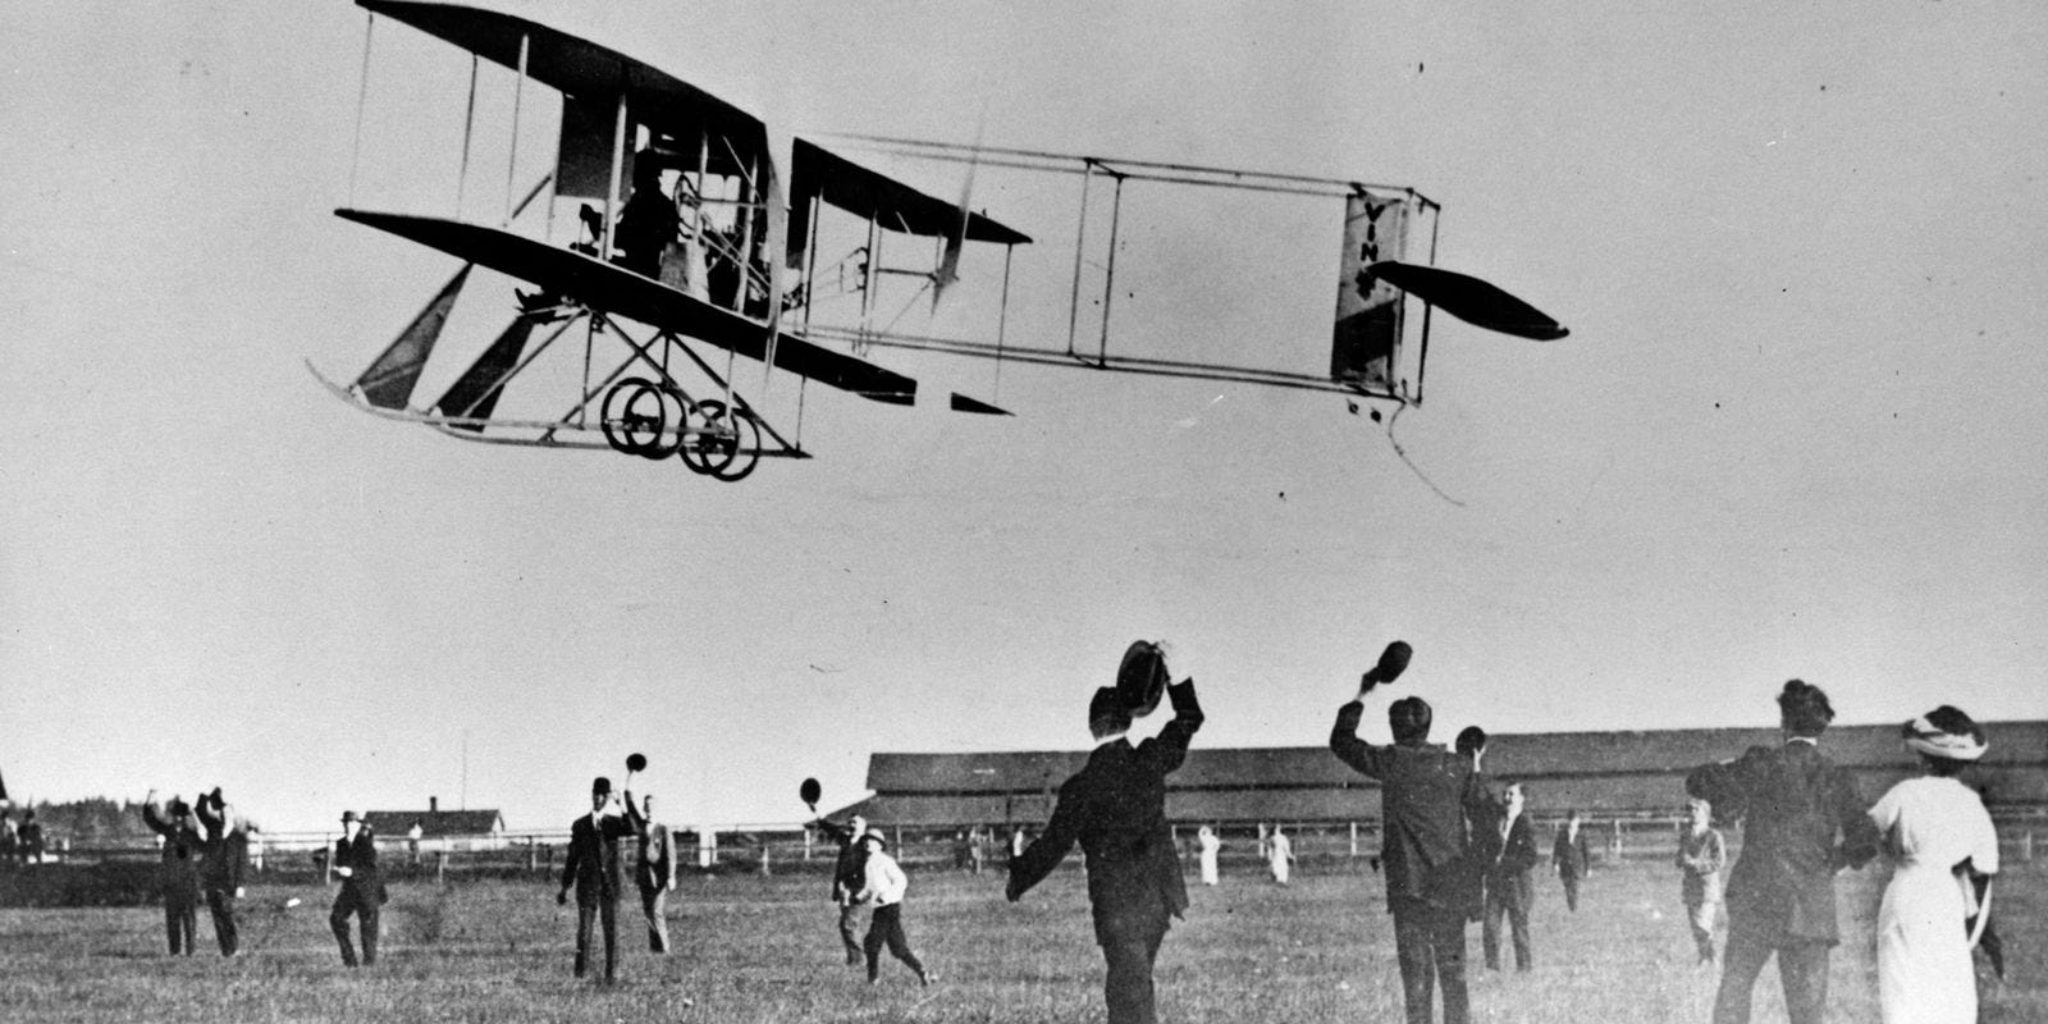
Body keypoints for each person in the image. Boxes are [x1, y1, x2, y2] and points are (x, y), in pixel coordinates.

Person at [1008, 666, 1205, 1024]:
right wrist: (1176, 674)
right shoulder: (1150, 759)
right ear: (1129, 721)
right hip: (1159, 899)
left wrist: (1018, 878)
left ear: (1092, 726)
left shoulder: (1080, 787)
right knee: (1135, 985)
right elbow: (1190, 716)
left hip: (1116, 905)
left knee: (1127, 993)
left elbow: (1053, 845)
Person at [1686, 679, 1879, 1024]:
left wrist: (1730, 763)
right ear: (1821, 727)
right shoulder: (1838, 776)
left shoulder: (1762, 762)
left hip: (1757, 897)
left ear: (1784, 723)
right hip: (1810, 902)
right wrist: (1830, 863)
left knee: (1736, 989)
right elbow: (1865, 841)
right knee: (1807, 1014)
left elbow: (1699, 780)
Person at [1329, 662, 1489, 1024]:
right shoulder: (1457, 766)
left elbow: (1341, 741)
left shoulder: (1391, 761)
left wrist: (1362, 693)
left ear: (1394, 728)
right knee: (1455, 977)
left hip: (1410, 888)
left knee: (1416, 981)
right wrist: (1475, 766)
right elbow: (1483, 811)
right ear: (1429, 725)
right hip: (1450, 886)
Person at [1868, 707, 1999, 1024]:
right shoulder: (1971, 803)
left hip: (1906, 894)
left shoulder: (1905, 793)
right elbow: (1983, 868)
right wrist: (1978, 928)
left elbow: (1864, 833)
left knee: (1903, 987)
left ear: (1923, 757)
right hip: (1945, 899)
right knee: (1947, 987)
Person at [557, 776, 635, 984]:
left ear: (607, 797)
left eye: (603, 795)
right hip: (587, 885)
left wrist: (622, 805)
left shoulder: (613, 823)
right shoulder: (580, 825)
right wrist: (565, 887)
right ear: (592, 795)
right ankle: (580, 974)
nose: (598, 798)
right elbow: (572, 858)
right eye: (596, 794)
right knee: (584, 932)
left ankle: (612, 975)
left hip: (611, 885)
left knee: (612, 932)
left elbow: (633, 828)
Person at [853, 832, 932, 985]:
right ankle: (923, 972)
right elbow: (870, 887)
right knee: (898, 948)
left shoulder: (886, 861)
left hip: (889, 907)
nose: (868, 843)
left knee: (871, 942)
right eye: (866, 841)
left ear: (880, 844)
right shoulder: (869, 864)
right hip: (880, 908)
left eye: (873, 841)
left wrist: (887, 895)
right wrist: (859, 897)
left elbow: (901, 881)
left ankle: (873, 979)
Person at [1483, 782, 1538, 973]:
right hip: (1496, 884)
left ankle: (1524, 968)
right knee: (1490, 927)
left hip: (1517, 884)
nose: (1506, 798)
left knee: (1519, 929)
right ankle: (1492, 968)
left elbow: (1531, 857)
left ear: (1522, 798)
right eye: (1505, 794)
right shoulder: (1498, 819)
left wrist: (1505, 862)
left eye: (1511, 794)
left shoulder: (1526, 823)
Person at [142, 791, 205, 956]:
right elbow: (150, 818)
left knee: (189, 918)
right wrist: (150, 799)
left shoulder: (191, 833)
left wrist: (194, 814)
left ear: (185, 817)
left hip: (188, 880)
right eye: (175, 815)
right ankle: (174, 951)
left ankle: (190, 951)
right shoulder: (166, 830)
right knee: (172, 918)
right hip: (171, 881)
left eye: (181, 815)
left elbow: (205, 839)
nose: (177, 818)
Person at [813, 813, 871, 966]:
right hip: (843, 889)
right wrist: (819, 817)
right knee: (846, 924)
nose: (852, 825)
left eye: (856, 822)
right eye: (850, 822)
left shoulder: (866, 844)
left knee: (849, 923)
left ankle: (859, 960)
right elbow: (831, 829)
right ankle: (853, 958)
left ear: (864, 826)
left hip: (857, 890)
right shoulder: (846, 840)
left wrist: (853, 889)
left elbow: (868, 870)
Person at [194, 789, 247, 957]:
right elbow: (200, 811)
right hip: (212, 880)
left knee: (226, 913)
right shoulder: (214, 830)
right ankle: (226, 950)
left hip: (229, 882)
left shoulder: (239, 838)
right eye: (223, 812)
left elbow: (242, 863)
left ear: (231, 814)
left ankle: (233, 947)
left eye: (227, 812)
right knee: (217, 915)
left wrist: (240, 884)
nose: (225, 815)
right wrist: (206, 793)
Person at [1676, 797, 1727, 964]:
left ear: (1706, 814)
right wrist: (1681, 859)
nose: (1692, 814)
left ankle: (1709, 957)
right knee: (1695, 925)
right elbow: (1678, 858)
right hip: (1690, 887)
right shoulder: (1685, 835)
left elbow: (1719, 861)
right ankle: (1706, 956)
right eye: (1689, 810)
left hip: (1707, 888)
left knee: (1702, 924)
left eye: (1696, 810)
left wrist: (1697, 864)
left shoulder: (1713, 836)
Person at [330, 809, 384, 967]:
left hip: (368, 890)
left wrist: (352, 871)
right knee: (336, 919)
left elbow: (372, 869)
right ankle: (349, 960)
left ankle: (369, 964)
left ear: (357, 825)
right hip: (350, 890)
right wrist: (338, 871)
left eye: (351, 823)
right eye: (345, 823)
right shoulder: (341, 844)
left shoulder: (365, 842)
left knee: (368, 928)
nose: (348, 826)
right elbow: (342, 865)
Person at [624, 792, 676, 954]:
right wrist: (627, 791)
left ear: (657, 808)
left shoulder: (663, 829)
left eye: (652, 806)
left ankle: (665, 949)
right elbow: (631, 808)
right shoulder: (641, 825)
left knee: (656, 912)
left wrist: (671, 875)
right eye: (646, 806)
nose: (649, 809)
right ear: (643, 808)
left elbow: (671, 854)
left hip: (659, 877)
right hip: (644, 876)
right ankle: (655, 949)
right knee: (648, 914)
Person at [614, 158, 681, 280]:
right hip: (654, 273)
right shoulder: (667, 205)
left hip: (634, 272)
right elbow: (671, 243)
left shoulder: (639, 202)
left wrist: (593, 219)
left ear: (641, 174)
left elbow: (621, 238)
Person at [1552, 808, 1593, 912]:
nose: (1572, 823)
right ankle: (1571, 904)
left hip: (1577, 865)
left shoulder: (1582, 835)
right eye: (1570, 820)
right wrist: (1556, 863)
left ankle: (1573, 907)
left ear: (1578, 821)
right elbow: (1557, 850)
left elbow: (1586, 852)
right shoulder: (1562, 834)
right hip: (1565, 865)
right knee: (1567, 887)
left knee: (1574, 886)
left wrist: (1588, 868)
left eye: (1574, 820)